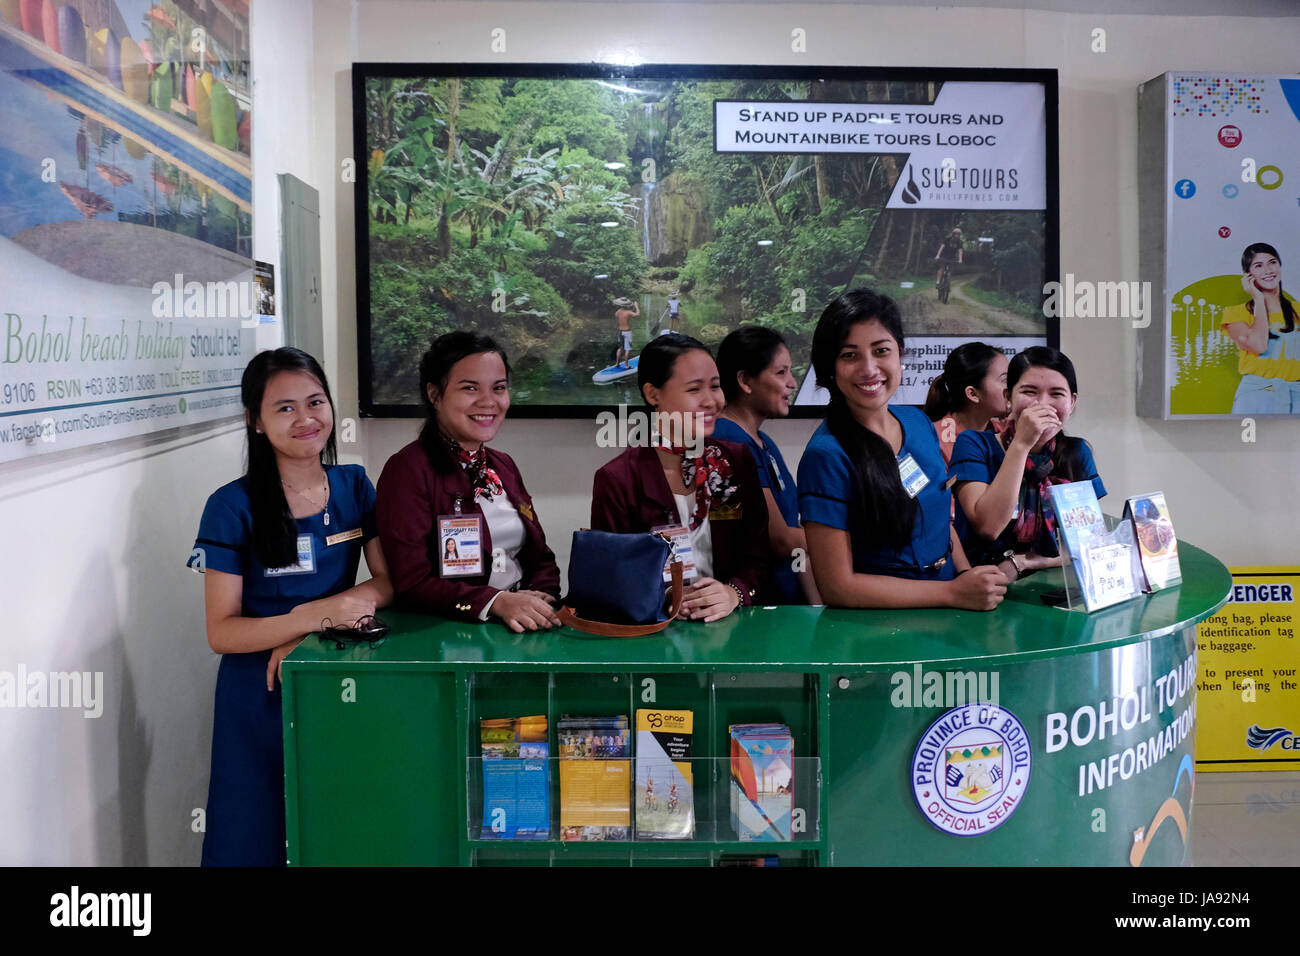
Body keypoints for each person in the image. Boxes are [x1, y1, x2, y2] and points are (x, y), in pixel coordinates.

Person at [187, 347, 392, 866]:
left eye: (315, 401)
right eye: (284, 408)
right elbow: (221, 632)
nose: (306, 419)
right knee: (252, 834)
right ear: (255, 421)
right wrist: (313, 619)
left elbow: (389, 581)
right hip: (258, 693)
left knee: (337, 826)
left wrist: (328, 622)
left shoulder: (354, 485)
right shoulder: (231, 505)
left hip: (335, 682)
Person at [798, 289, 1006, 610]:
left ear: (900, 353)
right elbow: (837, 586)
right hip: (878, 627)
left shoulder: (918, 423)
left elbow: (940, 521)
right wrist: (953, 594)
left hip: (949, 609)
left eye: (881, 350)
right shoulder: (826, 455)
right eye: (850, 355)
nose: (869, 368)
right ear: (830, 367)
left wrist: (965, 574)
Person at [376, 331, 562, 631]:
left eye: (499, 388)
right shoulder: (407, 471)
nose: (488, 402)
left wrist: (544, 596)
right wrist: (496, 602)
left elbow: (540, 556)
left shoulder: (502, 465)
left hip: (520, 625)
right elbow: (411, 583)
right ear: (435, 395)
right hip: (452, 633)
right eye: (470, 388)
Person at [591, 332, 770, 621]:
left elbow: (759, 556)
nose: (712, 401)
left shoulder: (735, 461)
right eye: (694, 389)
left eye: (715, 386)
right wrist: (664, 598)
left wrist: (733, 593)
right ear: (653, 395)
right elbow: (612, 578)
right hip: (655, 635)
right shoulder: (618, 478)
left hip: (732, 628)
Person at [949, 346, 1106, 583]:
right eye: (1029, 392)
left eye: (1057, 394)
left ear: (1072, 402)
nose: (1042, 404)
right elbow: (988, 527)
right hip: (984, 584)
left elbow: (1088, 539)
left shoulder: (1077, 452)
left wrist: (1021, 563)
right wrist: (1021, 444)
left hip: (1057, 584)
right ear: (1008, 397)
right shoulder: (974, 444)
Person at [714, 326, 820, 605]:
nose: (793, 383)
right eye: (781, 372)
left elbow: (792, 524)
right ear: (746, 381)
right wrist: (848, 539)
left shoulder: (763, 441)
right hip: (761, 608)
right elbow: (781, 540)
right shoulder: (728, 440)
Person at [1221, 242, 1300, 414]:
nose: (1268, 270)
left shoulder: (1298, 310)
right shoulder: (1236, 313)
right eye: (1258, 265)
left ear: (1280, 265)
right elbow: (1258, 345)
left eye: (1272, 262)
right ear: (1248, 275)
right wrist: (1258, 299)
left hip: (1297, 396)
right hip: (1256, 397)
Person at [922, 342, 1011, 465]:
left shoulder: (1007, 433)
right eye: (1005, 380)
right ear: (973, 394)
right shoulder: (932, 441)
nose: (1012, 387)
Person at [934, 227, 964, 292]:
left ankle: (947, 284)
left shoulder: (960, 242)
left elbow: (960, 251)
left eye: (958, 234)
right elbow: (941, 248)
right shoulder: (947, 239)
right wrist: (938, 255)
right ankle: (938, 282)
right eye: (956, 234)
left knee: (949, 272)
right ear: (953, 234)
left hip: (952, 258)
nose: (957, 235)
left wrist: (960, 259)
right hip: (943, 256)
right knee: (941, 269)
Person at [614, 297, 640, 369]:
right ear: (626, 305)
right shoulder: (628, 312)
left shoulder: (617, 312)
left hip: (620, 331)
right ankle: (626, 365)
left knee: (620, 348)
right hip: (627, 332)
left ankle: (617, 363)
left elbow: (618, 321)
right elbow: (637, 314)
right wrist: (636, 306)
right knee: (627, 349)